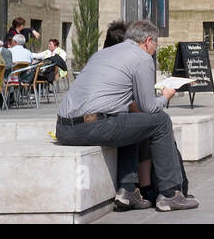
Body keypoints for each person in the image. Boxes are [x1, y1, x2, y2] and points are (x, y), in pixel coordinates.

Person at [55, 19, 198, 212]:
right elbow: (149, 108)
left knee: (128, 120)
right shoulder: (142, 58)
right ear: (148, 41)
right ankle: (170, 194)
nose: (155, 50)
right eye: (156, 44)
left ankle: (129, 191)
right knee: (161, 121)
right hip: (95, 126)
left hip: (64, 129)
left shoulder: (101, 54)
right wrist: (165, 97)